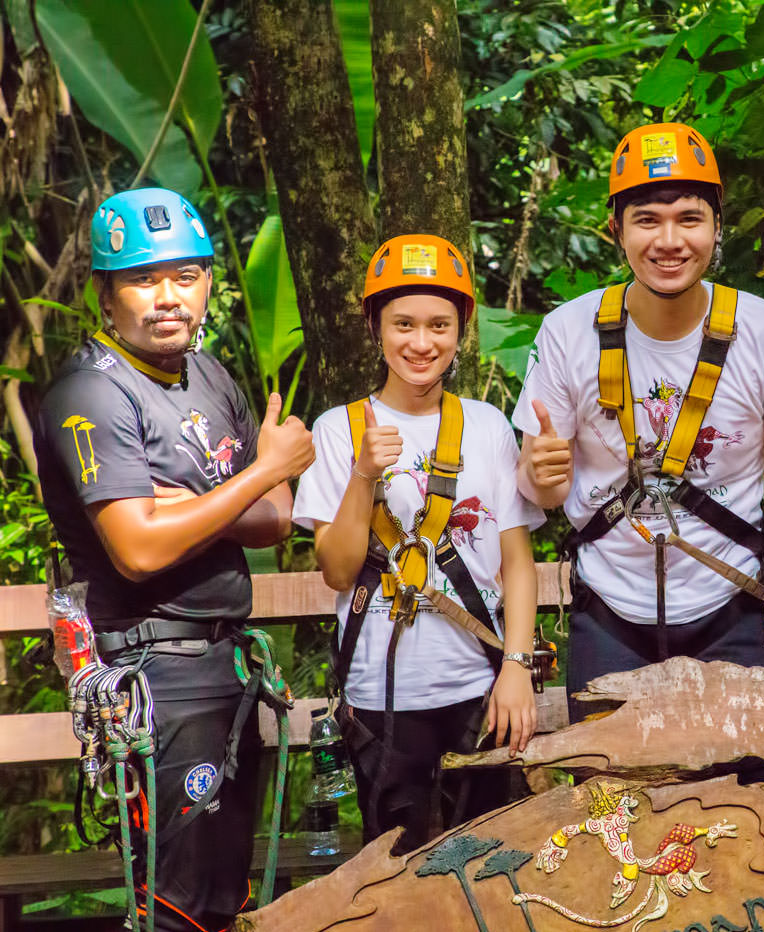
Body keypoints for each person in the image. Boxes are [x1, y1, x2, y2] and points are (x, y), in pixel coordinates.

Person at [34, 187, 314, 931]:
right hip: (156, 674)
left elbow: (276, 521)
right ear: (106, 294)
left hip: (226, 668)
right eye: (142, 279)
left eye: (185, 276)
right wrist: (258, 473)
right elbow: (138, 548)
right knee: (174, 903)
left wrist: (188, 501)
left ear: (208, 283)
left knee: (225, 894)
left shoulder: (210, 376)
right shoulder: (93, 392)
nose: (167, 297)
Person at [512, 122, 764, 783]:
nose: (669, 240)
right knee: (612, 818)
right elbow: (541, 488)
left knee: (751, 818)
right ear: (616, 230)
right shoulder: (568, 333)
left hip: (734, 609)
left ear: (717, 226)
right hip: (610, 614)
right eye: (647, 220)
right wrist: (539, 475)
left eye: (689, 218)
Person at [292, 234, 543, 854]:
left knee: (490, 857)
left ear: (461, 330)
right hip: (383, 696)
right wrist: (362, 475)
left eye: (439, 325)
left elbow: (516, 562)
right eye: (403, 324)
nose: (421, 343)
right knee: (395, 865)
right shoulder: (338, 430)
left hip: (477, 686)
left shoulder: (486, 426)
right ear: (374, 327)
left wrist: (516, 668)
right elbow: (338, 571)